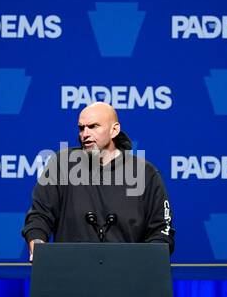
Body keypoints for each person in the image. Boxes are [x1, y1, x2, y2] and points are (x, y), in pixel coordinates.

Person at [21, 102, 174, 259]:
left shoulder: (146, 174)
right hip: (70, 274)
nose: (85, 134)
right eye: (81, 128)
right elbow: (39, 216)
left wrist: (146, 265)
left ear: (114, 130)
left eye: (93, 126)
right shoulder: (61, 165)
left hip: (128, 276)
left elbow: (161, 231)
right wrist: (37, 243)